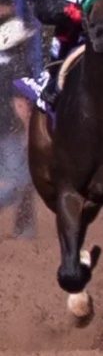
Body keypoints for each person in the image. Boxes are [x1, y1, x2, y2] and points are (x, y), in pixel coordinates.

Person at [0, 16, 37, 239]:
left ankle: (25, 231)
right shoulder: (18, 66)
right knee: (21, 181)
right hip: (7, 132)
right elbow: (21, 104)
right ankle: (24, 232)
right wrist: (30, 134)